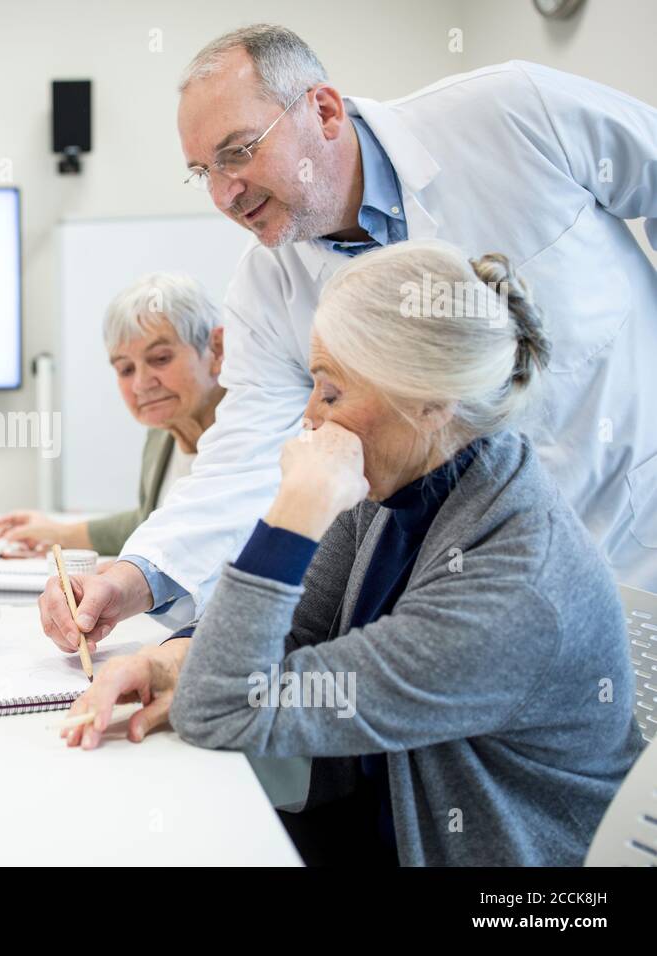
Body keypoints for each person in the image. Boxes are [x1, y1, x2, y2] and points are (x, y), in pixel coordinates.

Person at [37, 23, 657, 643]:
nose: (223, 193)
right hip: (487, 595)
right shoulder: (267, 289)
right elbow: (244, 459)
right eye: (203, 170)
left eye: (238, 151)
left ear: (324, 110)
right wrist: (135, 576)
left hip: (640, 530)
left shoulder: (511, 111)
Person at [51, 241, 644, 866]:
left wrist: (296, 509)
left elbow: (222, 707)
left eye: (330, 393)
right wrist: (168, 659)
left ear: (428, 404)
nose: (310, 416)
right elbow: (297, 630)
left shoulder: (513, 590)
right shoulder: (410, 477)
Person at [0, 273, 223, 556]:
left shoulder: (255, 434)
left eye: (160, 359)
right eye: (126, 369)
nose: (141, 384)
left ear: (216, 351)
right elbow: (151, 521)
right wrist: (60, 534)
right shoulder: (162, 433)